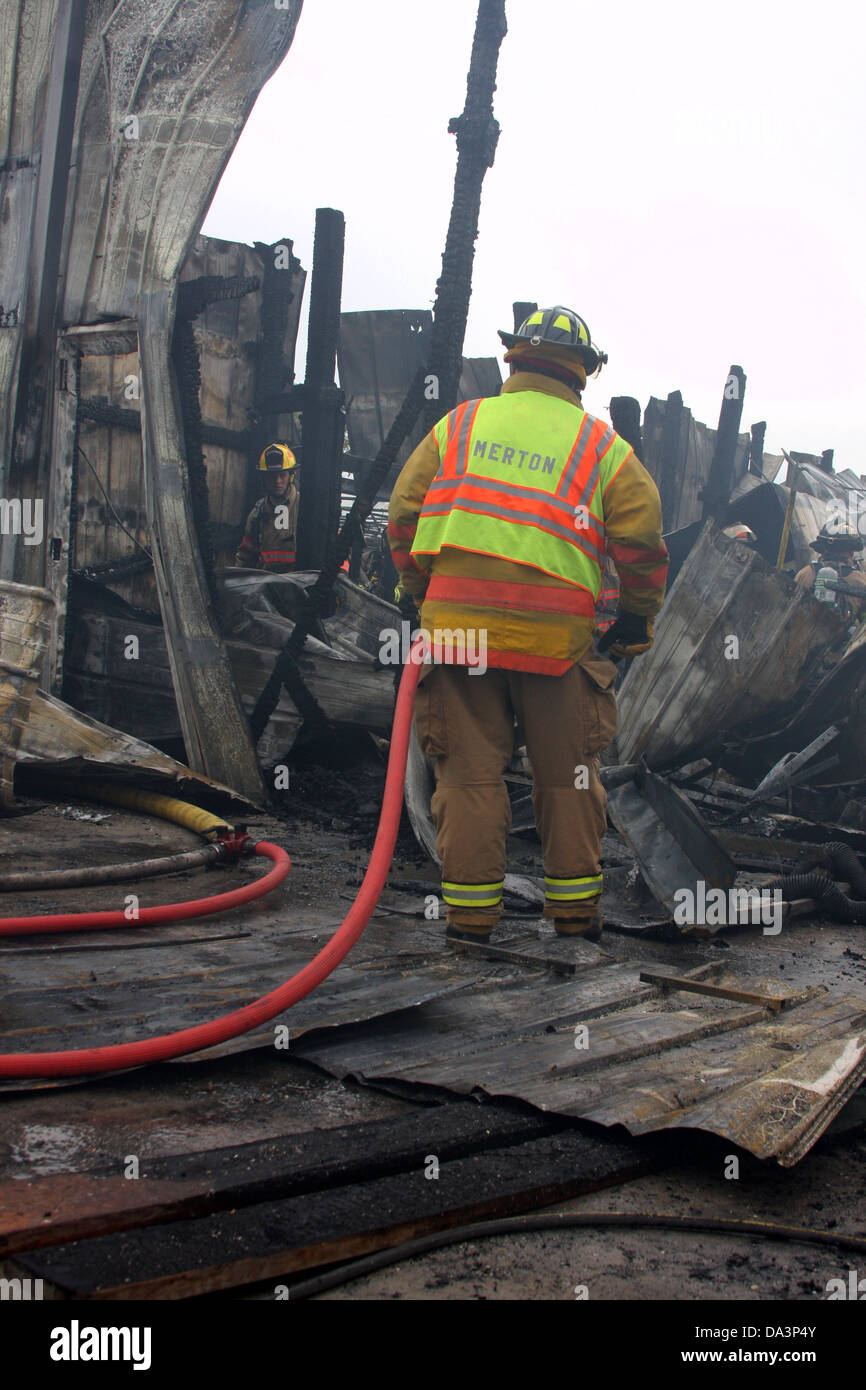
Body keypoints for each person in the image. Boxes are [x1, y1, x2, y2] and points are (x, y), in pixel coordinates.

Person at [388, 305, 669, 944]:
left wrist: (419, 594)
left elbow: (403, 518)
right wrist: (634, 620)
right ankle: (572, 917)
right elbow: (643, 547)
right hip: (557, 642)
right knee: (568, 776)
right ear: (585, 372)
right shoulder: (605, 449)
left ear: (514, 357)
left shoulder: (457, 426)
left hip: (458, 636)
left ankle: (470, 921)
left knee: (467, 776)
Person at [234, 443, 299, 572]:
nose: (277, 481)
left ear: (291, 476)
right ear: (264, 479)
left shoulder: (304, 507)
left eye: (282, 475)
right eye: (272, 476)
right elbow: (245, 555)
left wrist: (338, 574)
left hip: (298, 585)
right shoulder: (258, 513)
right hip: (267, 586)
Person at [795, 518, 866, 623]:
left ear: (823, 548)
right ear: (851, 552)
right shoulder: (859, 579)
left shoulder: (804, 574)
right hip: (845, 638)